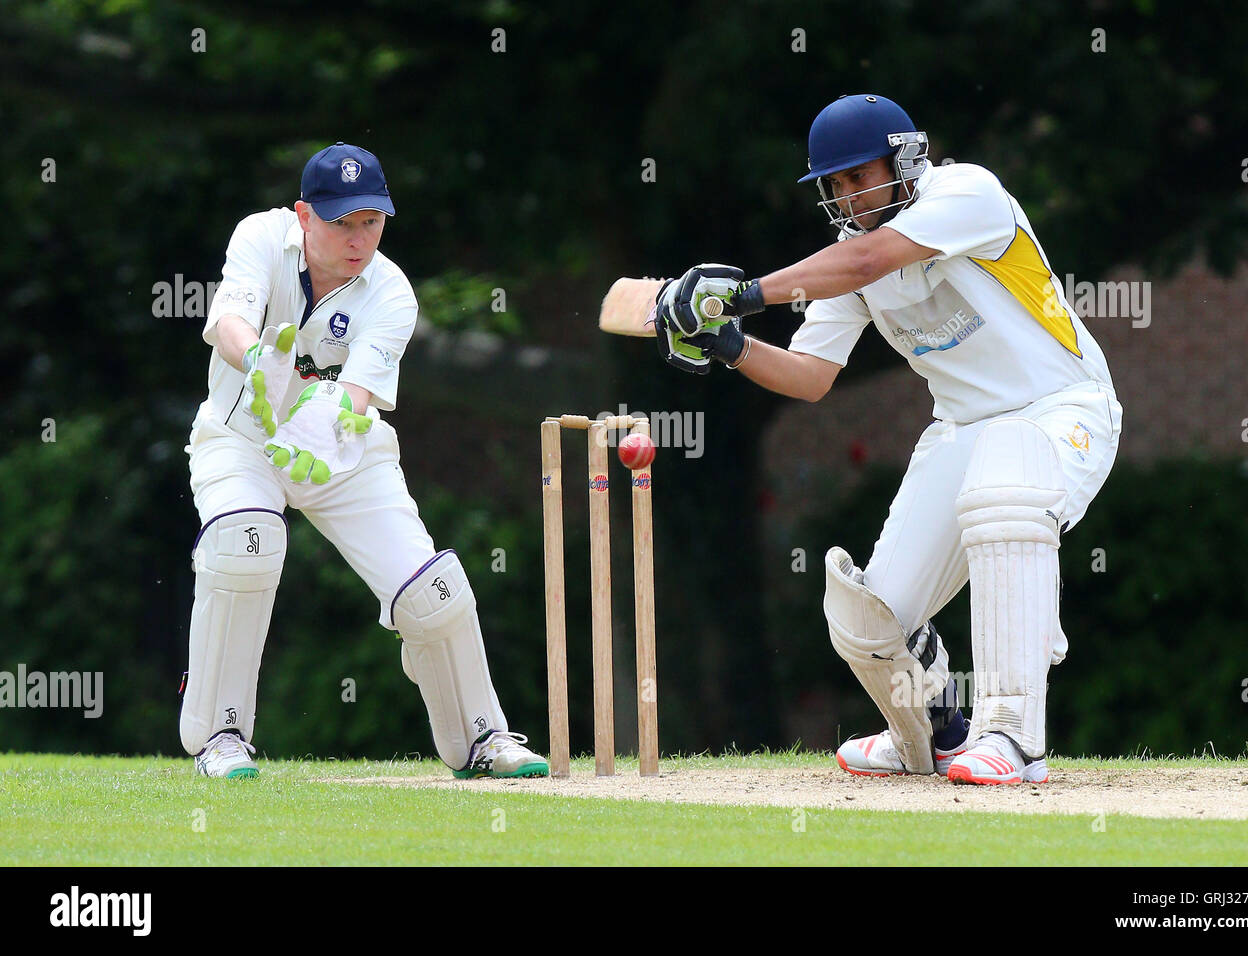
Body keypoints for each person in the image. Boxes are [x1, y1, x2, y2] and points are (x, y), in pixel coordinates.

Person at [655, 95, 1122, 785]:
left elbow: (868, 261)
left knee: (1007, 490)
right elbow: (811, 375)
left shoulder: (967, 192)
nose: (849, 194)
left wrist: (742, 293)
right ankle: (933, 733)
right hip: (963, 427)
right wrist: (729, 343)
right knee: (870, 617)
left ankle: (1013, 738)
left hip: (1060, 409)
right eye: (835, 184)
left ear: (904, 160)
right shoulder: (850, 259)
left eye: (859, 175)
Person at [181, 142, 547, 779]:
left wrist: (321, 429)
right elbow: (229, 319)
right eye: (341, 222)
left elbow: (355, 395)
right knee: (245, 544)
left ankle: (483, 739)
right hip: (240, 437)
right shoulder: (261, 237)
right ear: (303, 215)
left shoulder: (392, 293)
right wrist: (255, 363)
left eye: (371, 222)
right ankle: (222, 736)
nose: (358, 238)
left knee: (432, 592)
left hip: (342, 452)